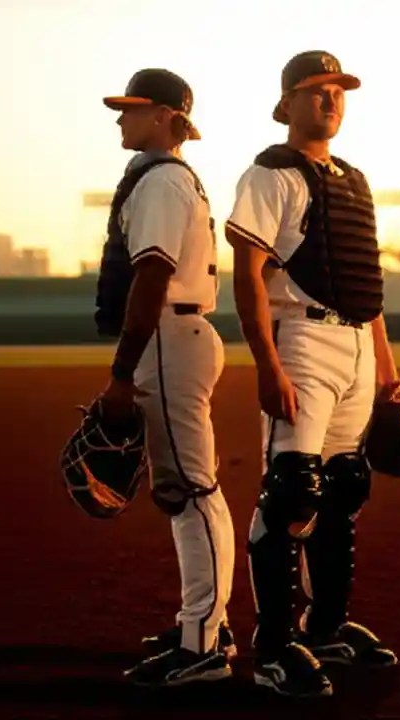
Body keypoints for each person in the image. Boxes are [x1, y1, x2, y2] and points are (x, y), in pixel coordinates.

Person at [224, 50, 400, 698]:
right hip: (300, 338)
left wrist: (388, 374)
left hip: (357, 342)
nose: (331, 99)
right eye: (316, 90)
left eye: (338, 90)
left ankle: (325, 625)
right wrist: (266, 361)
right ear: (288, 103)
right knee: (293, 491)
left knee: (345, 487)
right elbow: (246, 272)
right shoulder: (271, 173)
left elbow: (366, 289)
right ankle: (274, 647)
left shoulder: (355, 181)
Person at [92, 68, 237, 688]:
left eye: (133, 108)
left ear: (165, 119)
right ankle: (207, 626)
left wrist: (121, 372)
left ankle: (202, 643)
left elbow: (151, 277)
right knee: (187, 491)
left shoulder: (160, 181)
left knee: (192, 491)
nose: (120, 118)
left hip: (168, 338)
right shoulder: (167, 179)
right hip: (178, 336)